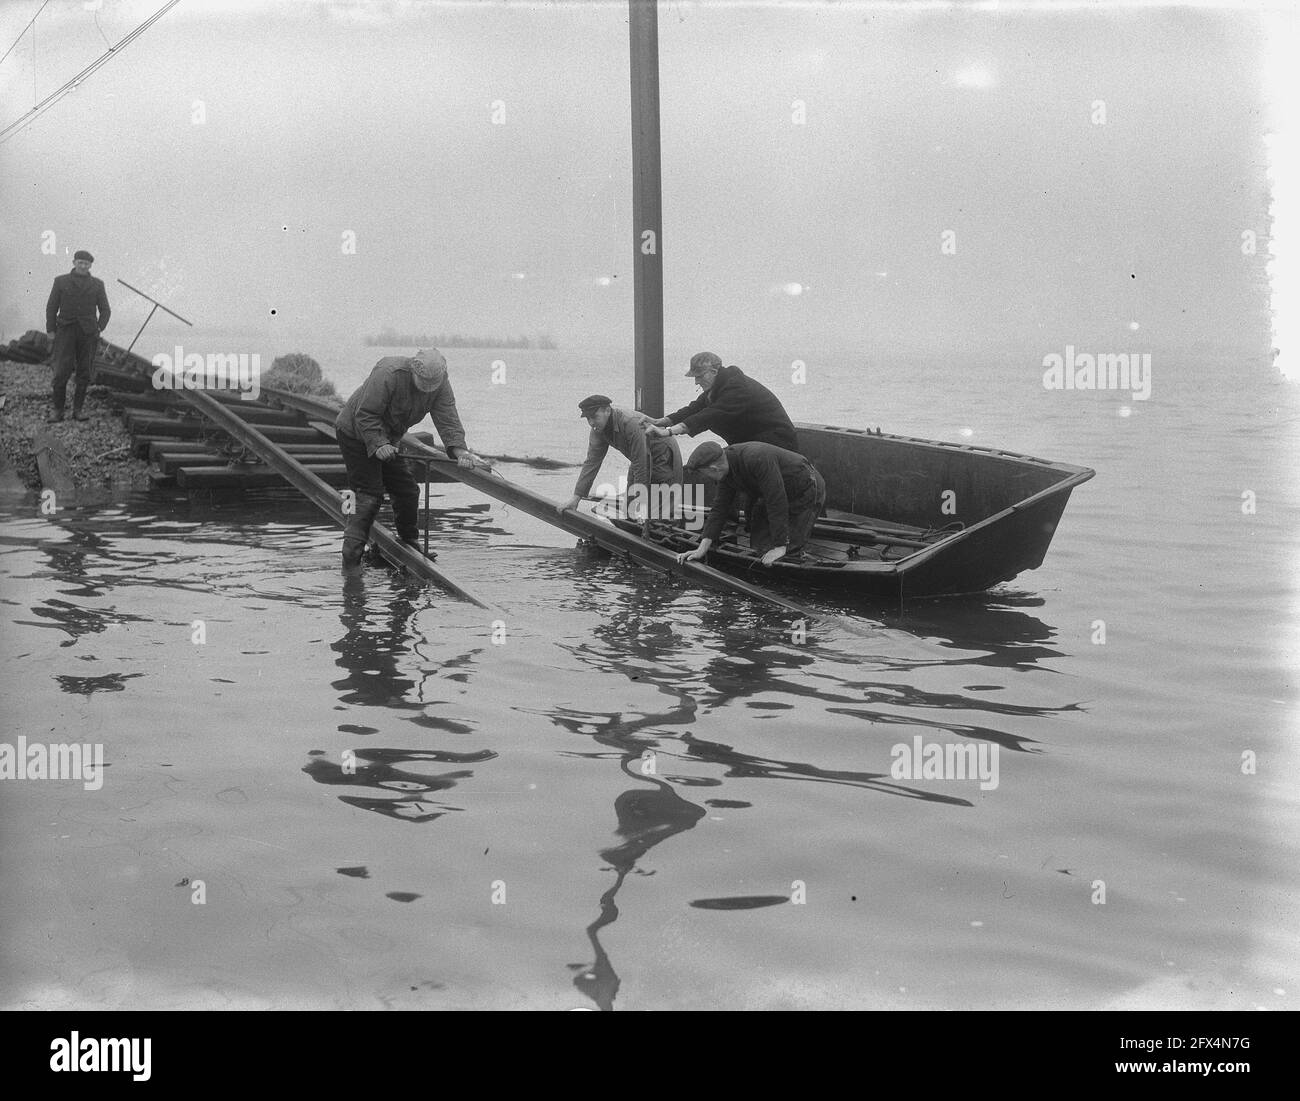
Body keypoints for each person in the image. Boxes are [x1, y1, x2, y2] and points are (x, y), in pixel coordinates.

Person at [334, 348, 485, 570]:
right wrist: (379, 444)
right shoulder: (389, 372)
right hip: (355, 432)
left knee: (407, 489)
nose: (427, 388)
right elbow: (365, 414)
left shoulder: (440, 383)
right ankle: (351, 559)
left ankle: (408, 542)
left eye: (432, 383)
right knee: (368, 496)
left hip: (389, 437)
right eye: (423, 382)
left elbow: (448, 418)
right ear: (413, 370)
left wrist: (460, 451)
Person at [675, 441, 825, 568]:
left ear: (714, 469)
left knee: (789, 549)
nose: (706, 478)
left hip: (805, 487)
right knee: (760, 545)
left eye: (705, 474)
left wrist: (780, 546)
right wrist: (702, 548)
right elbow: (719, 509)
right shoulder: (725, 469)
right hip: (772, 491)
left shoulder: (756, 457)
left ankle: (797, 563)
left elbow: (776, 501)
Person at [646, 351, 799, 452]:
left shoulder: (737, 388)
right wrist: (662, 421)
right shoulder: (719, 387)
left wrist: (668, 432)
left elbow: (711, 415)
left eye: (699, 376)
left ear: (713, 372)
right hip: (754, 445)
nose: (696, 382)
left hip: (778, 446)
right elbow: (695, 409)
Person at [558, 394, 682, 517]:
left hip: (663, 457)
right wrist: (576, 497)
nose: (591, 423)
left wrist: (641, 501)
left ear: (607, 411)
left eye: (594, 417)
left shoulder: (631, 423)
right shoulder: (598, 429)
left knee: (658, 512)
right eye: (588, 419)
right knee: (630, 511)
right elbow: (591, 462)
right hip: (639, 459)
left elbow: (642, 461)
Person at [45, 250, 110, 422]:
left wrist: (98, 328)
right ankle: (58, 411)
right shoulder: (60, 281)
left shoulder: (97, 284)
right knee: (60, 372)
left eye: (86, 264)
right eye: (80, 262)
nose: (83, 266)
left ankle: (78, 411)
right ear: (74, 262)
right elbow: (52, 306)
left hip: (88, 334)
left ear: (90, 266)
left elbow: (105, 310)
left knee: (84, 372)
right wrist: (51, 330)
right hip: (65, 331)